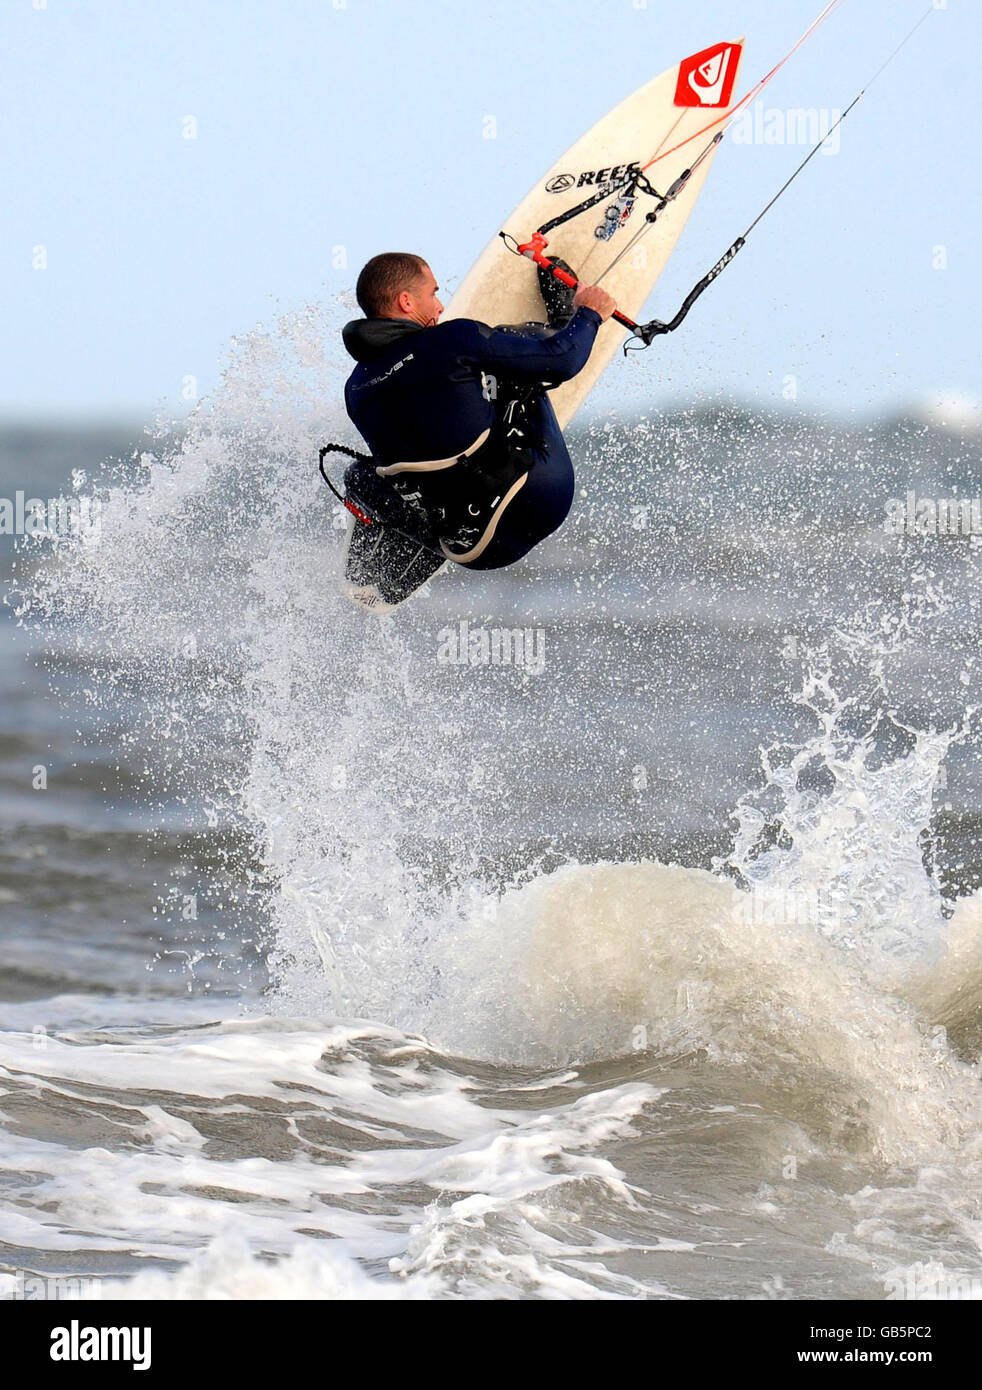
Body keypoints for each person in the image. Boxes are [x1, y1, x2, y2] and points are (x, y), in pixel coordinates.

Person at [341, 252, 615, 570]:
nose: (440, 306)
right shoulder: (452, 339)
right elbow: (564, 361)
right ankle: (561, 322)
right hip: (538, 499)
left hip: (475, 553)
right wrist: (590, 314)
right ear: (406, 302)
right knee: (512, 346)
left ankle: (416, 548)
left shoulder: (356, 390)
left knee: (360, 476)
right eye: (433, 293)